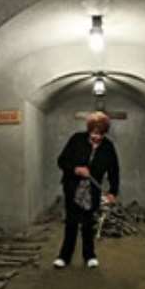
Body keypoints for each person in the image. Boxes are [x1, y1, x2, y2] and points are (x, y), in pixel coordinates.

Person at [53, 111, 120, 269]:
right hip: (73, 187)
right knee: (71, 222)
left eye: (101, 134)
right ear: (89, 129)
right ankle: (64, 257)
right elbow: (61, 161)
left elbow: (114, 171)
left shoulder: (108, 147)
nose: (97, 137)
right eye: (94, 133)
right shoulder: (76, 139)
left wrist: (113, 192)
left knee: (89, 223)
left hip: (93, 190)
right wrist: (76, 169)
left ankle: (89, 255)